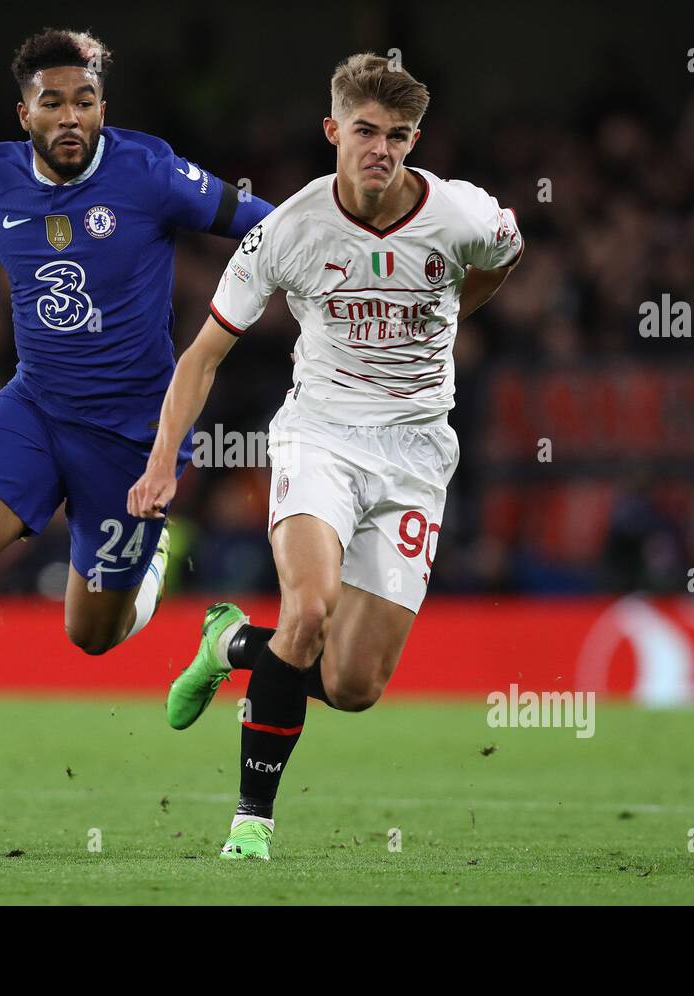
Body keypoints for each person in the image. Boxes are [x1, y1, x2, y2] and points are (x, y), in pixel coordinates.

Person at [0, 28, 273, 832]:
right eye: (53, 103)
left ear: (103, 108)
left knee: (92, 634)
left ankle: (154, 574)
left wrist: (349, 251)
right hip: (35, 407)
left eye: (85, 101)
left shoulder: (151, 172)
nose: (71, 116)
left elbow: (268, 226)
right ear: (26, 113)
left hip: (131, 435)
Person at [129, 53, 523, 860]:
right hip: (323, 439)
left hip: (416, 454)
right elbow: (202, 355)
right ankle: (251, 822)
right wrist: (163, 461)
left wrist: (451, 305)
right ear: (332, 130)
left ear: (416, 139)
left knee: (353, 686)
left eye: (399, 135)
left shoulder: (461, 215)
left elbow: (504, 255)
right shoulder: (289, 230)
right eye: (366, 131)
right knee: (308, 611)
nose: (381, 148)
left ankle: (231, 645)